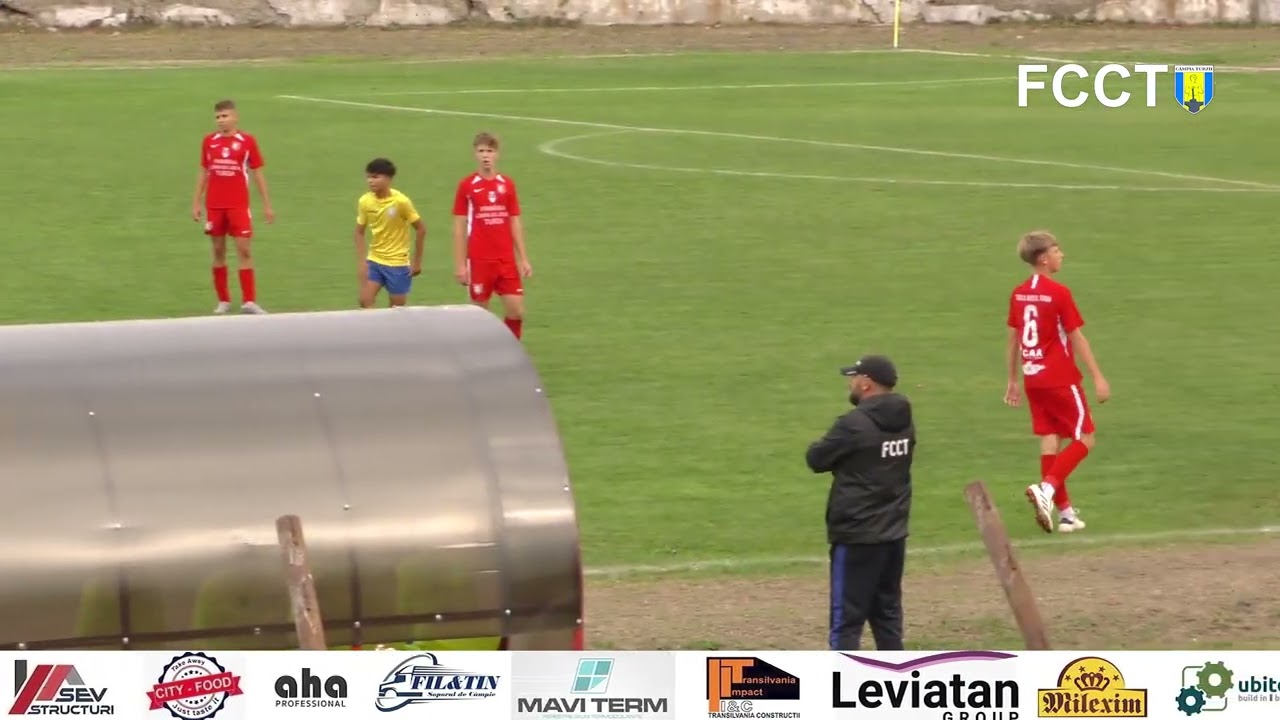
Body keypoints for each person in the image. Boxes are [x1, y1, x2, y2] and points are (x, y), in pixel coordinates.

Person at [806, 355, 916, 651]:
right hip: (894, 533)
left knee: (846, 623)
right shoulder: (905, 420)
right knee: (888, 619)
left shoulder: (853, 424)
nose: (850, 383)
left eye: (854, 377)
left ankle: (843, 689)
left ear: (867, 383)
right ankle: (896, 686)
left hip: (857, 536)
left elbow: (816, 458)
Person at [1004, 230, 1111, 534]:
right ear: (1043, 258)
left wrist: (1012, 379)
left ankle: (1065, 515)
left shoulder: (1019, 293)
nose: (1061, 254)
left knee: (1050, 439)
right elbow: (1076, 337)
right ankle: (1046, 490)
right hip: (1060, 378)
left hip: (1033, 379)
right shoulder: (1059, 293)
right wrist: (1098, 377)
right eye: (1056, 250)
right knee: (1085, 438)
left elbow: (1013, 340)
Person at [193, 99, 274, 315]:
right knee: (218, 251)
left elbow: (258, 174)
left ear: (235, 117)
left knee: (244, 250)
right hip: (215, 206)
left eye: (225, 116)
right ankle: (223, 301)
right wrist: (196, 202)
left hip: (238, 205)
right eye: (218, 117)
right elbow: (204, 172)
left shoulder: (247, 142)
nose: (221, 120)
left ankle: (249, 300)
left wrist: (267, 205)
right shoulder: (209, 142)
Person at [452, 132, 533, 340]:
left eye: (489, 151)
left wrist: (523, 258)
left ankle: (511, 353)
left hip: (506, 260)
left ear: (497, 154)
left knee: (516, 311)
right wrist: (461, 264)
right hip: (479, 260)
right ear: (475, 154)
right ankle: (479, 358)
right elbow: (459, 226)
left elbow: (514, 221)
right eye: (481, 151)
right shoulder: (467, 186)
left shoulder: (507, 184)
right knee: (479, 316)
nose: (485, 155)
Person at [354, 158, 425, 309]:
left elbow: (420, 229)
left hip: (397, 264)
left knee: (396, 310)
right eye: (368, 177)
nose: (370, 181)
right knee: (365, 300)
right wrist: (362, 262)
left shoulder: (401, 202)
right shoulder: (365, 201)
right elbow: (359, 232)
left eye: (375, 177)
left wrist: (417, 261)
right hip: (375, 261)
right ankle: (376, 331)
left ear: (388, 179)